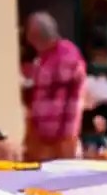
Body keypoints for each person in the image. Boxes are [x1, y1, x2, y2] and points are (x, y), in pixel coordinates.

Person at [24, 11, 87, 162]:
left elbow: (68, 99)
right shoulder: (45, 57)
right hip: (44, 138)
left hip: (60, 138)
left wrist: (67, 138)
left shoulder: (65, 54)